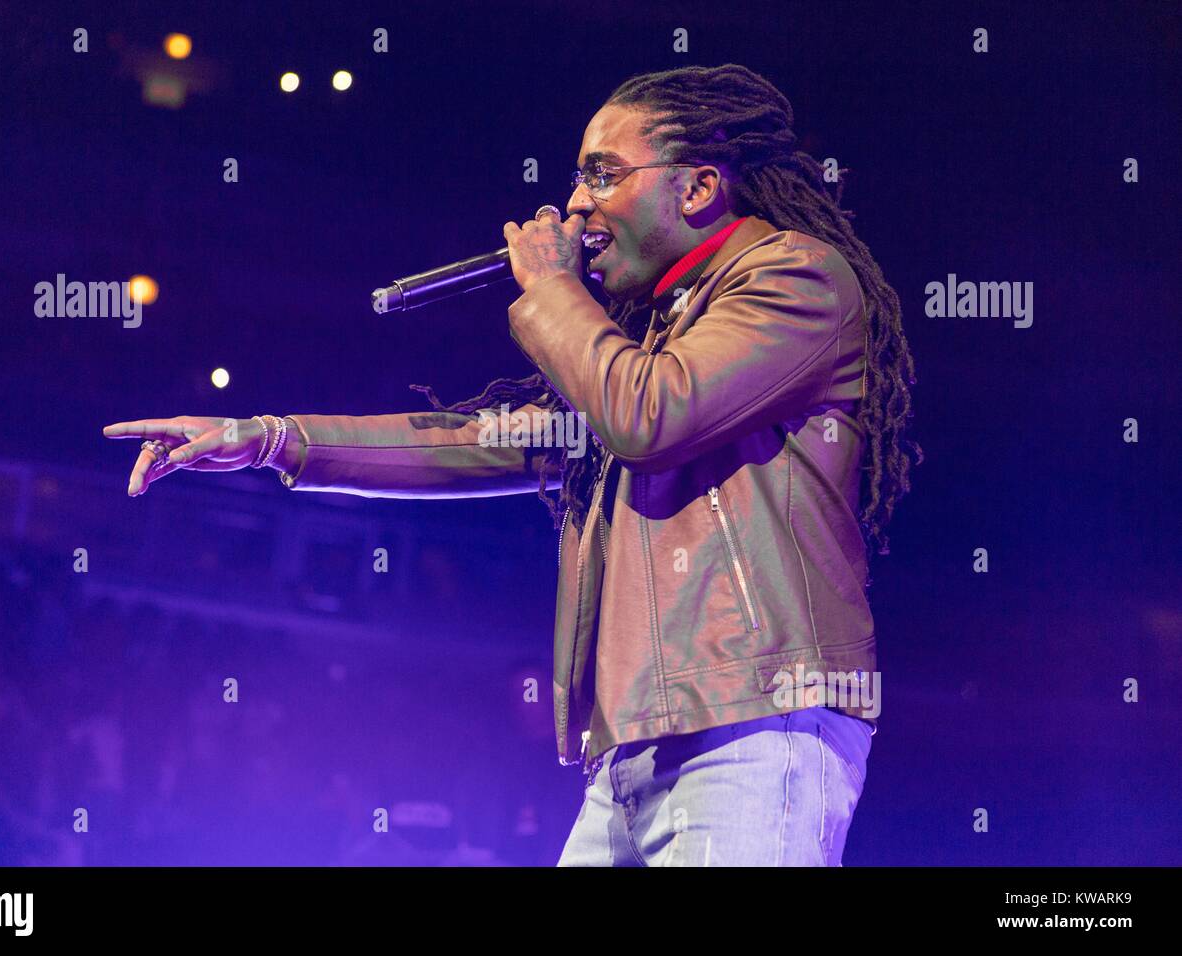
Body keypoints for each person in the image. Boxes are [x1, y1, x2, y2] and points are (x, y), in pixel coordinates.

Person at [103, 64, 921, 866]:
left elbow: (651, 416)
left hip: (750, 720)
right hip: (633, 745)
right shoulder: (648, 341)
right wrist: (267, 437)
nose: (575, 204)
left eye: (603, 174)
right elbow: (475, 439)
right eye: (578, 178)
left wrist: (554, 290)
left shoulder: (796, 278)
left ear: (698, 187)